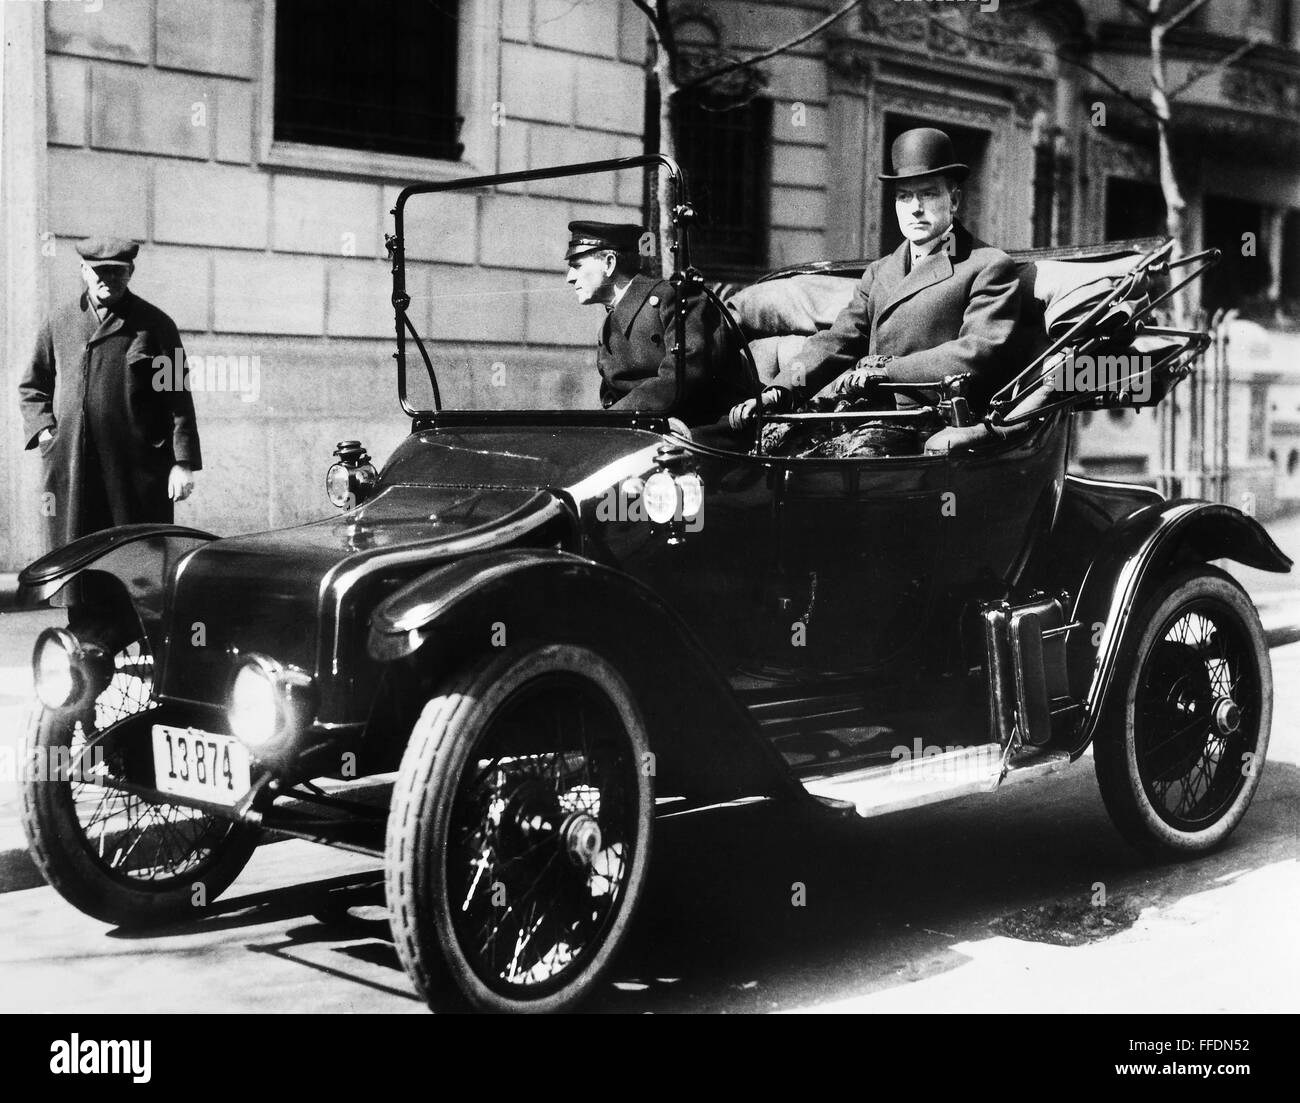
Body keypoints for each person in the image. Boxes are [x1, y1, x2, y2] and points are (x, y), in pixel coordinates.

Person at [728, 127, 1024, 429]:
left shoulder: (985, 265)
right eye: (904, 197)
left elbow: (977, 352)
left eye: (929, 194)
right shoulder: (881, 271)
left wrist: (888, 372)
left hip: (935, 426)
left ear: (954, 200)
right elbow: (837, 342)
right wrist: (782, 390)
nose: (916, 209)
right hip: (866, 415)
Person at [18, 237, 201, 630]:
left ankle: (139, 644)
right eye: (100, 272)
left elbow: (177, 399)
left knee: (138, 561)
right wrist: (47, 433)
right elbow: (33, 387)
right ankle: (82, 646)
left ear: (130, 273)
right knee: (78, 562)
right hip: (74, 470)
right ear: (84, 272)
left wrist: (182, 463)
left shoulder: (155, 326)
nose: (108, 280)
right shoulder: (60, 322)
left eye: (117, 272)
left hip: (136, 472)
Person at [564, 220, 756, 425]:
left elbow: (681, 379)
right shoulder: (610, 326)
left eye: (577, 266)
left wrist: (611, 419)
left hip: (710, 429)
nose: (570, 277)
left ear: (609, 263)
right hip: (650, 427)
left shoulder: (676, 298)